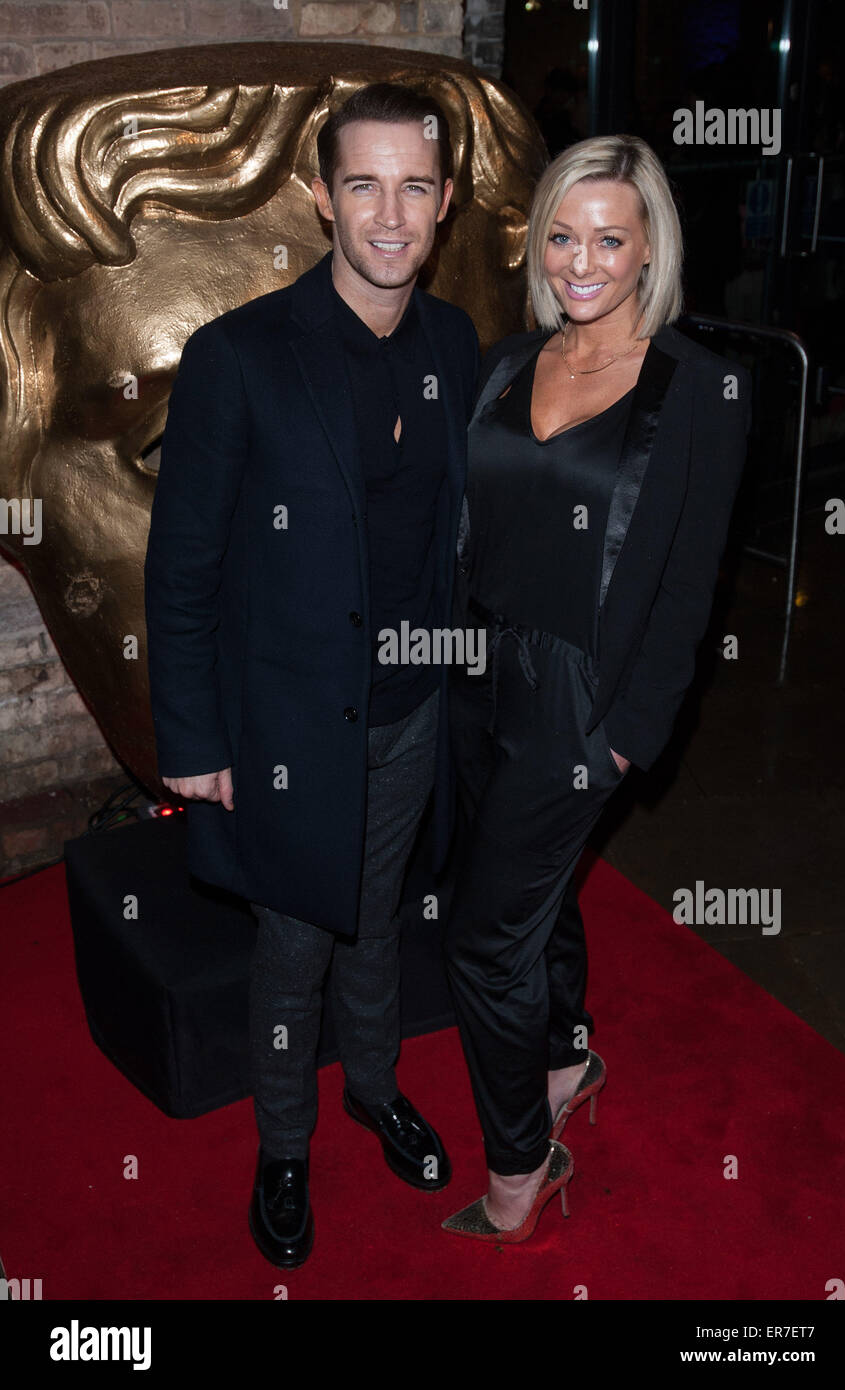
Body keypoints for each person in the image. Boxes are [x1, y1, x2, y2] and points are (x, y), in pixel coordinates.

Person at [144, 83, 479, 1269]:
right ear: (323, 196)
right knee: (293, 946)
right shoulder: (239, 356)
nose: (390, 213)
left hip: (410, 711)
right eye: (363, 184)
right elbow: (181, 568)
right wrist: (191, 738)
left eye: (415, 187)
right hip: (288, 720)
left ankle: (375, 1087)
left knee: (378, 918)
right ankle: (282, 1150)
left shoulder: (451, 343)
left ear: (443, 203)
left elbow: (454, 534)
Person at [441, 134, 752, 1242]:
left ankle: (522, 1160)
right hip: (475, 675)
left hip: (584, 695)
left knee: (482, 936)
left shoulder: (702, 386)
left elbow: (690, 580)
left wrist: (628, 731)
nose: (580, 261)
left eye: (608, 238)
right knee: (531, 891)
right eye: (562, 235)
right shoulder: (507, 360)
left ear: (648, 247)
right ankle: (565, 1049)